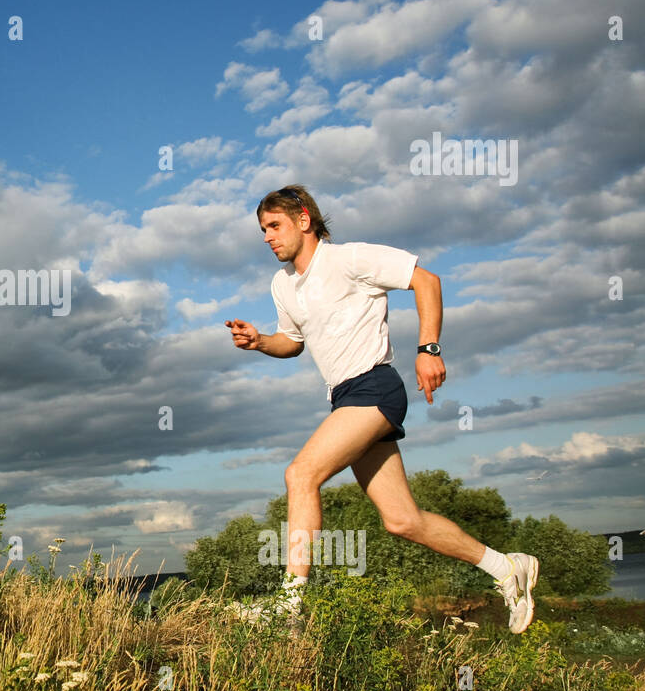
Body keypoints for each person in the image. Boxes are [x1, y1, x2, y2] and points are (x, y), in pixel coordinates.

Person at [225, 184, 539, 634]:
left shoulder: (349, 259)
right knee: (402, 519)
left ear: (303, 220)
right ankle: (508, 568)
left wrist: (429, 348)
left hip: (375, 387)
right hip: (345, 398)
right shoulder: (284, 285)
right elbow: (292, 342)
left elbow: (426, 281)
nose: (267, 237)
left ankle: (289, 607)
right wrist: (259, 342)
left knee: (301, 474)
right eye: (262, 230)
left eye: (274, 226)